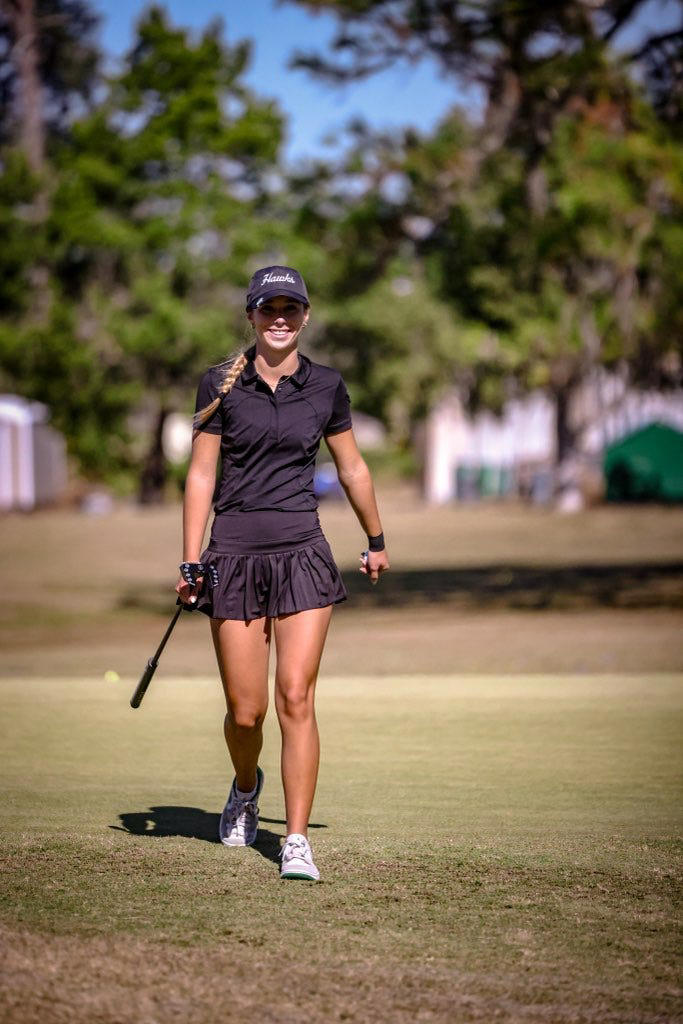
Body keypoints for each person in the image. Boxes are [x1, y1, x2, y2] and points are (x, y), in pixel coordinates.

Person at [175, 265, 390, 882]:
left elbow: (352, 469)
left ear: (305, 316)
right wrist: (191, 560)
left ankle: (295, 839)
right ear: (251, 315)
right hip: (234, 556)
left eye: (290, 308)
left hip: (303, 554)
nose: (279, 318)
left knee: (295, 694)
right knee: (246, 713)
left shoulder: (326, 386)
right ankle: (247, 787)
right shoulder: (219, 383)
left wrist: (375, 539)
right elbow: (201, 476)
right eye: (268, 307)